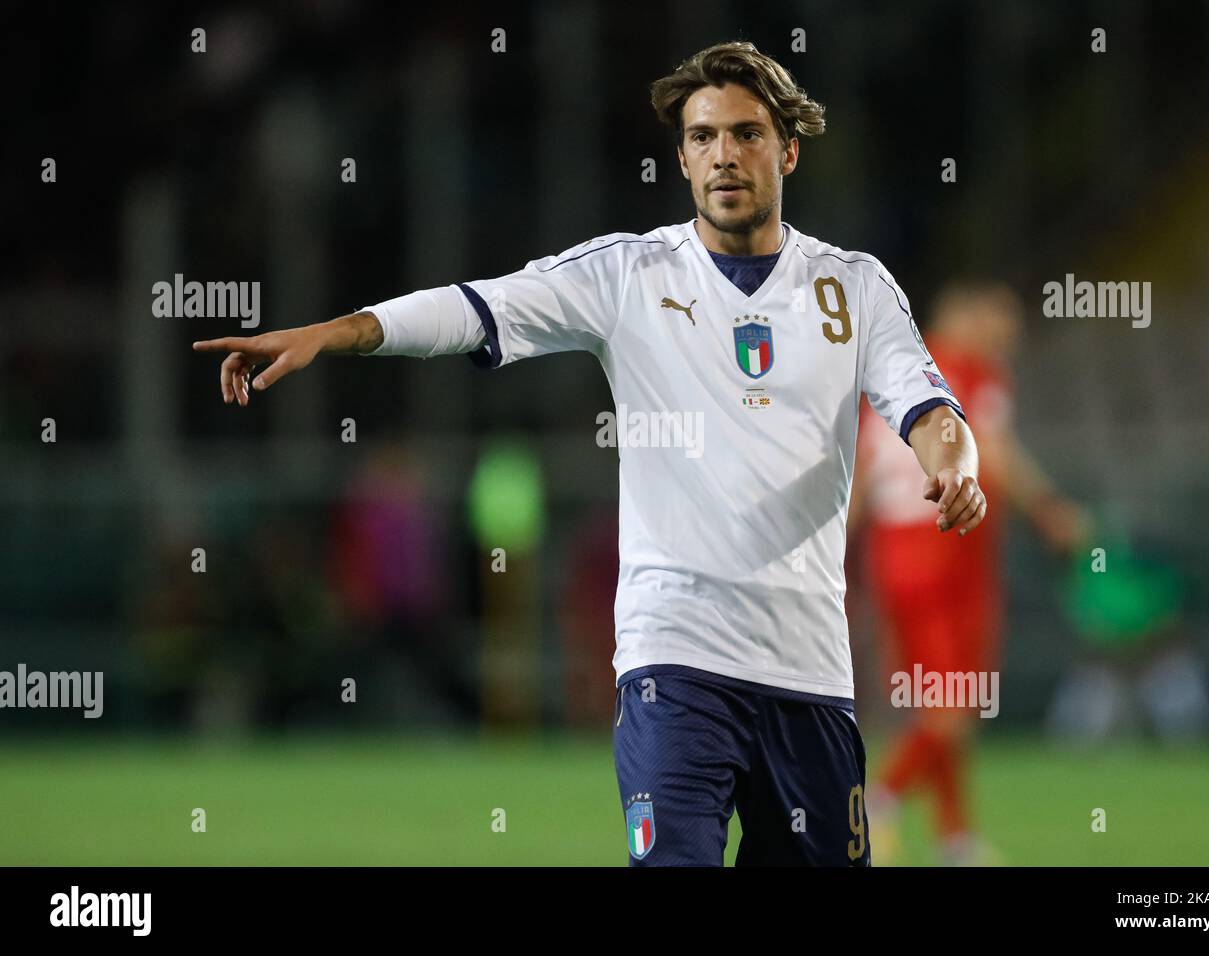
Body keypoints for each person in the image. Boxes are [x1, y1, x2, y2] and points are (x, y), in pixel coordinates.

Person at [193, 41, 987, 867]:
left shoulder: (853, 286)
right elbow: (474, 308)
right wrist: (335, 333)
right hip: (675, 663)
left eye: (747, 134)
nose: (725, 154)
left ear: (787, 149)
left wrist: (955, 462)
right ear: (681, 157)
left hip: (809, 673)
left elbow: (929, 406)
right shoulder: (627, 275)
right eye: (704, 136)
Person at [848, 280, 1088, 865]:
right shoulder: (972, 373)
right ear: (966, 314)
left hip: (893, 556)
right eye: (1001, 322)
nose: (1008, 336)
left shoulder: (889, 372)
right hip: (947, 557)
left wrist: (834, 549)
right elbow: (996, 454)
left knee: (939, 703)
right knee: (956, 704)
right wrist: (1051, 511)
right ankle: (876, 801)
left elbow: (857, 472)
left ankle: (955, 838)